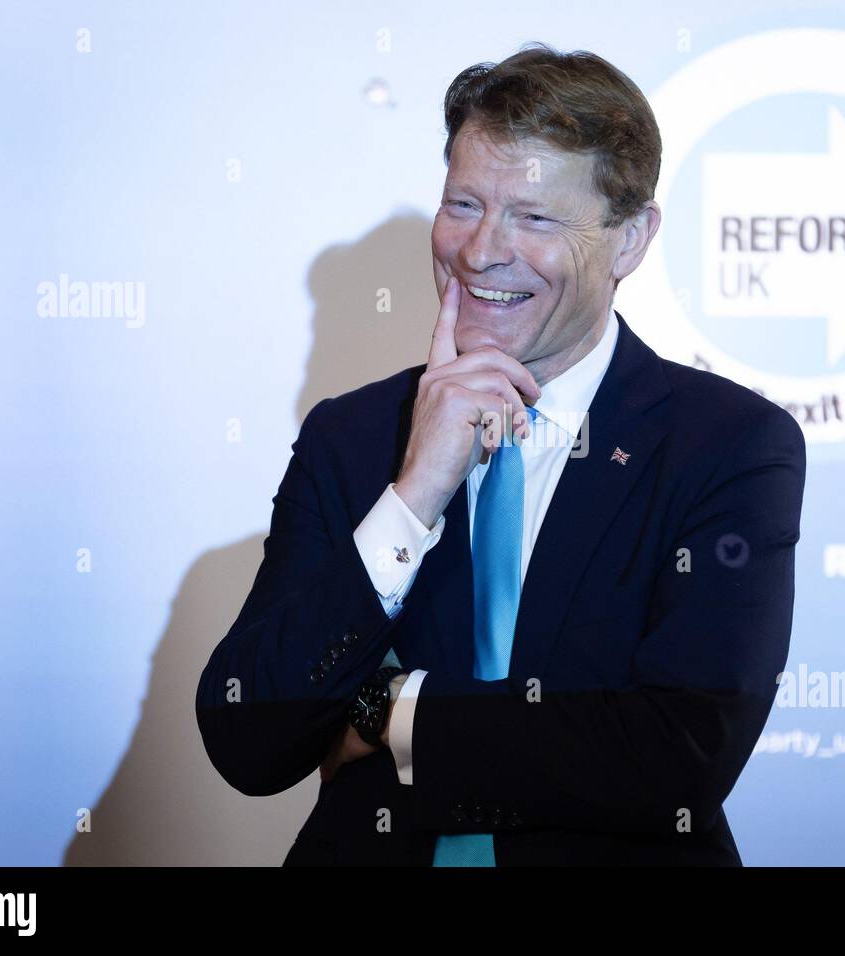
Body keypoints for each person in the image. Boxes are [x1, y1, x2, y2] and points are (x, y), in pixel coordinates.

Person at [195, 42, 806, 866]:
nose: (482, 251)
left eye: (535, 217)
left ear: (629, 241)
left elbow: (677, 751)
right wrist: (415, 494)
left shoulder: (726, 444)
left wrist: (388, 715)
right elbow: (247, 736)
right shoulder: (353, 435)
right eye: (464, 205)